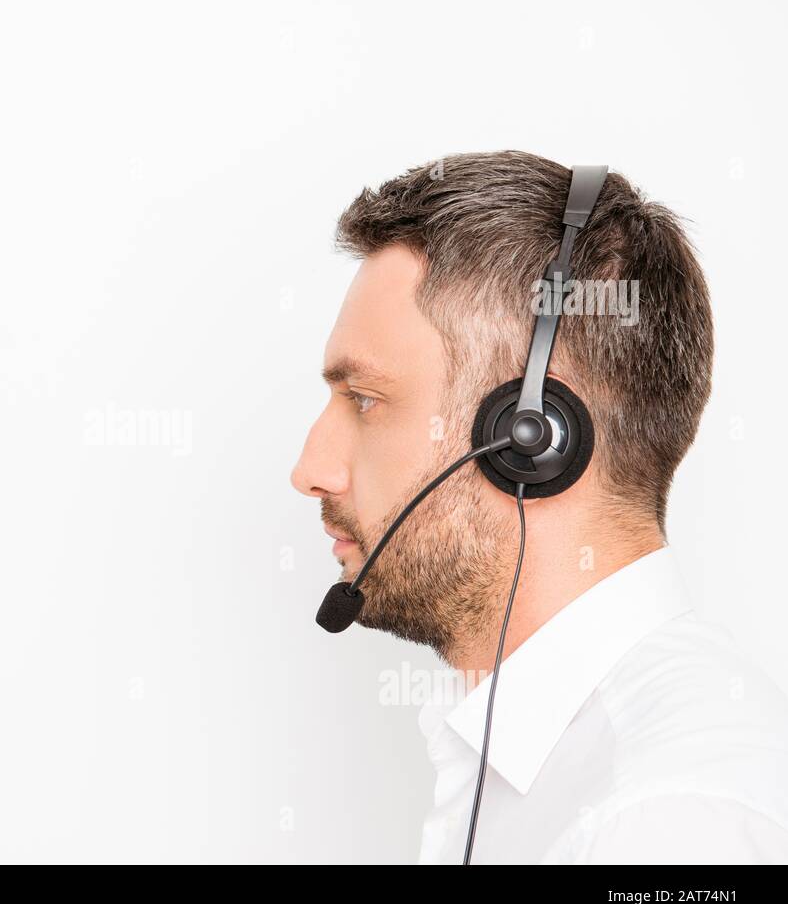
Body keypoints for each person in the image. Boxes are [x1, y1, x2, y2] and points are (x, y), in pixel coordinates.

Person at [290, 151, 788, 863]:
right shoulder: (537, 761)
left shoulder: (667, 824)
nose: (309, 470)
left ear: (530, 435)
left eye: (365, 400)